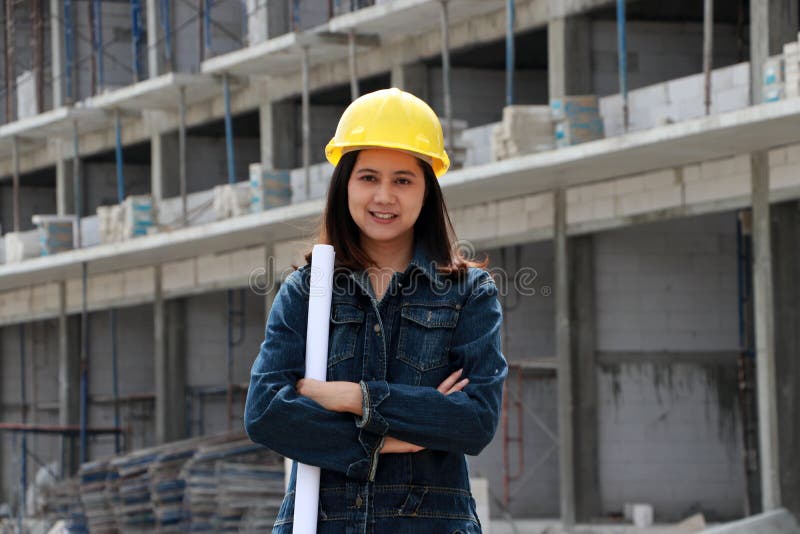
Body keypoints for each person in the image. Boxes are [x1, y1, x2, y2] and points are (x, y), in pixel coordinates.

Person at [244, 88, 508, 533]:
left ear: (427, 191)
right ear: (345, 184)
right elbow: (266, 414)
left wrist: (354, 398)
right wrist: (390, 439)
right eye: (369, 177)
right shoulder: (307, 292)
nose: (384, 195)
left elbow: (475, 420)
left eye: (403, 180)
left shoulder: (467, 293)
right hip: (323, 522)